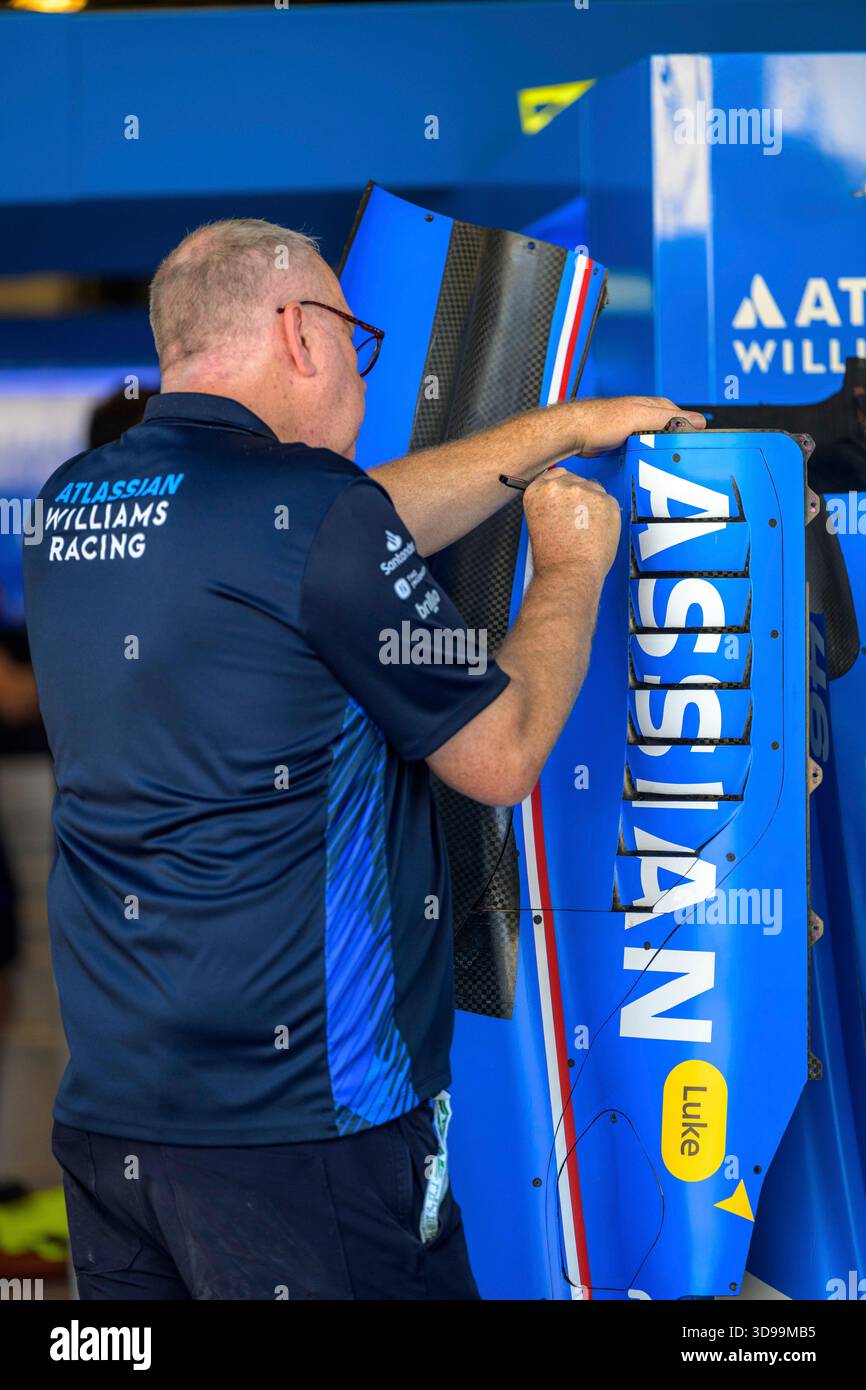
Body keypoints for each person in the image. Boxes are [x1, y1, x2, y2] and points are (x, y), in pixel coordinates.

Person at [23, 218, 704, 1300]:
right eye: (356, 339)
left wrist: (561, 430)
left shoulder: (72, 507)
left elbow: (328, 534)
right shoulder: (314, 519)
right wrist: (570, 568)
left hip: (116, 1129)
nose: (361, 368)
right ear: (301, 332)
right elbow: (502, 750)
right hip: (308, 1132)